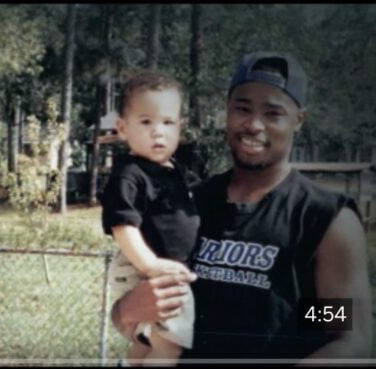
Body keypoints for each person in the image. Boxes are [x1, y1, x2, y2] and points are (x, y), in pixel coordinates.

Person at [110, 51, 372, 362]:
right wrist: (130, 308)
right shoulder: (187, 205)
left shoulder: (321, 218)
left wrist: (292, 319)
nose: (253, 125)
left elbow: (349, 336)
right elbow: (127, 317)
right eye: (242, 109)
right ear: (227, 112)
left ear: (297, 120)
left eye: (273, 113)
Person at [101, 70, 200, 365]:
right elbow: (123, 226)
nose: (158, 131)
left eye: (168, 122)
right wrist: (152, 266)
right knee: (170, 345)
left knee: (149, 341)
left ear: (179, 128)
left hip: (161, 266)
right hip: (147, 267)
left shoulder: (173, 171)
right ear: (122, 127)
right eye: (146, 122)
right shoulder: (130, 173)